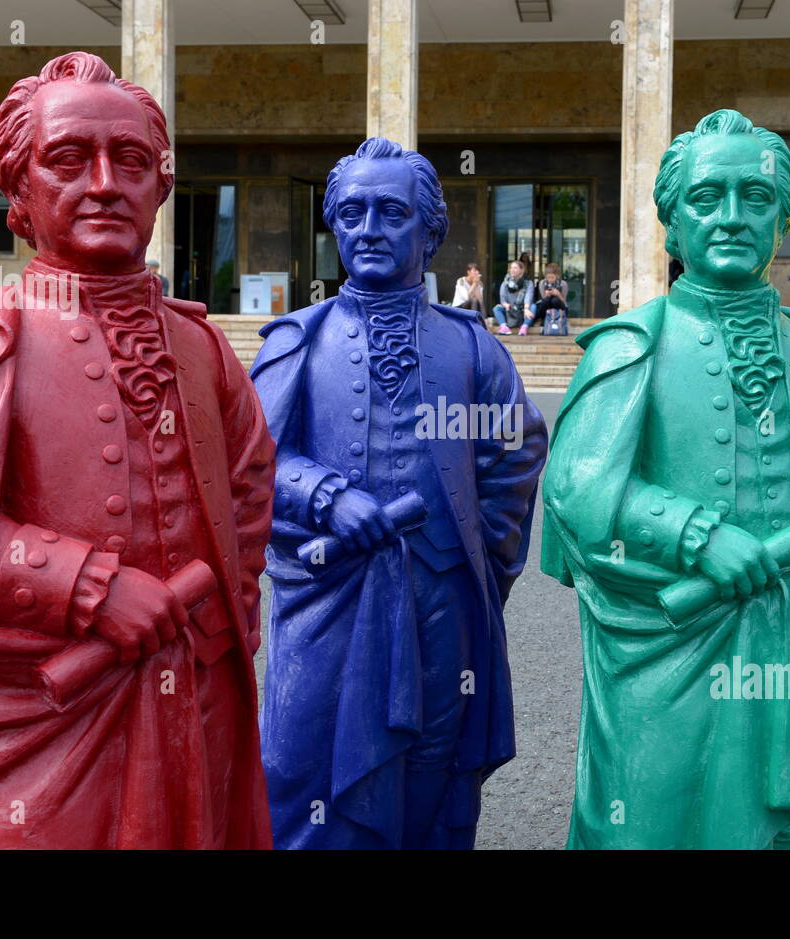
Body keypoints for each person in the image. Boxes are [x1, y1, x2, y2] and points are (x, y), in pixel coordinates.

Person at [0, 52, 276, 849]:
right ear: (18, 191)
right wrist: (86, 588)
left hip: (193, 704)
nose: (106, 182)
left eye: (133, 160)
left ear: (160, 186)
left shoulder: (201, 345)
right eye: (69, 159)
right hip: (38, 732)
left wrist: (223, 618)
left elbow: (249, 481)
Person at [541, 109, 790, 850]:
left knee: (789, 826)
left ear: (785, 220)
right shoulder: (633, 343)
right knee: (651, 823)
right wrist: (698, 536)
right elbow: (578, 488)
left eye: (755, 199)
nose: (731, 217)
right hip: (671, 643)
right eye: (706, 198)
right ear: (671, 224)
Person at [251, 137, 548, 850]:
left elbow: (515, 451)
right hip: (329, 603)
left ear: (430, 230)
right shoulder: (299, 338)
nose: (369, 229)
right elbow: (252, 456)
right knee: (302, 769)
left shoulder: (472, 345)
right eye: (351, 214)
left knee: (434, 779)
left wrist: (474, 563)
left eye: (392, 212)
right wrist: (325, 498)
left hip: (441, 607)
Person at [492, 259, 534, 335]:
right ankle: (504, 327)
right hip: (510, 310)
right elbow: (503, 299)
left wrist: (526, 308)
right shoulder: (505, 283)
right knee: (496, 308)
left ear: (521, 270)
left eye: (515, 268)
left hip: (522, 310)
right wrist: (505, 305)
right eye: (511, 268)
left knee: (533, 307)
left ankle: (524, 327)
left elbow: (528, 297)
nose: (512, 270)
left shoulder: (528, 283)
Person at [531, 262, 569, 335]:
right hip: (547, 306)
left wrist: (558, 294)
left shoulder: (563, 284)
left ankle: (559, 318)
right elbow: (543, 298)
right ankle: (543, 319)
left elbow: (564, 301)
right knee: (546, 300)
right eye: (548, 277)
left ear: (557, 276)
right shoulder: (542, 283)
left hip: (560, 305)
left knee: (555, 300)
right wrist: (547, 294)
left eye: (552, 277)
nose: (550, 280)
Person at [451, 261, 487, 327]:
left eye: (478, 271)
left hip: (472, 306)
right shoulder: (461, 281)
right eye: (475, 271)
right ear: (468, 272)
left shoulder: (480, 283)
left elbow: (480, 300)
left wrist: (477, 285)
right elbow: (466, 297)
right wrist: (474, 284)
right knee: (473, 300)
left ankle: (483, 321)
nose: (477, 273)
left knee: (476, 300)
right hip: (459, 306)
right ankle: (474, 322)